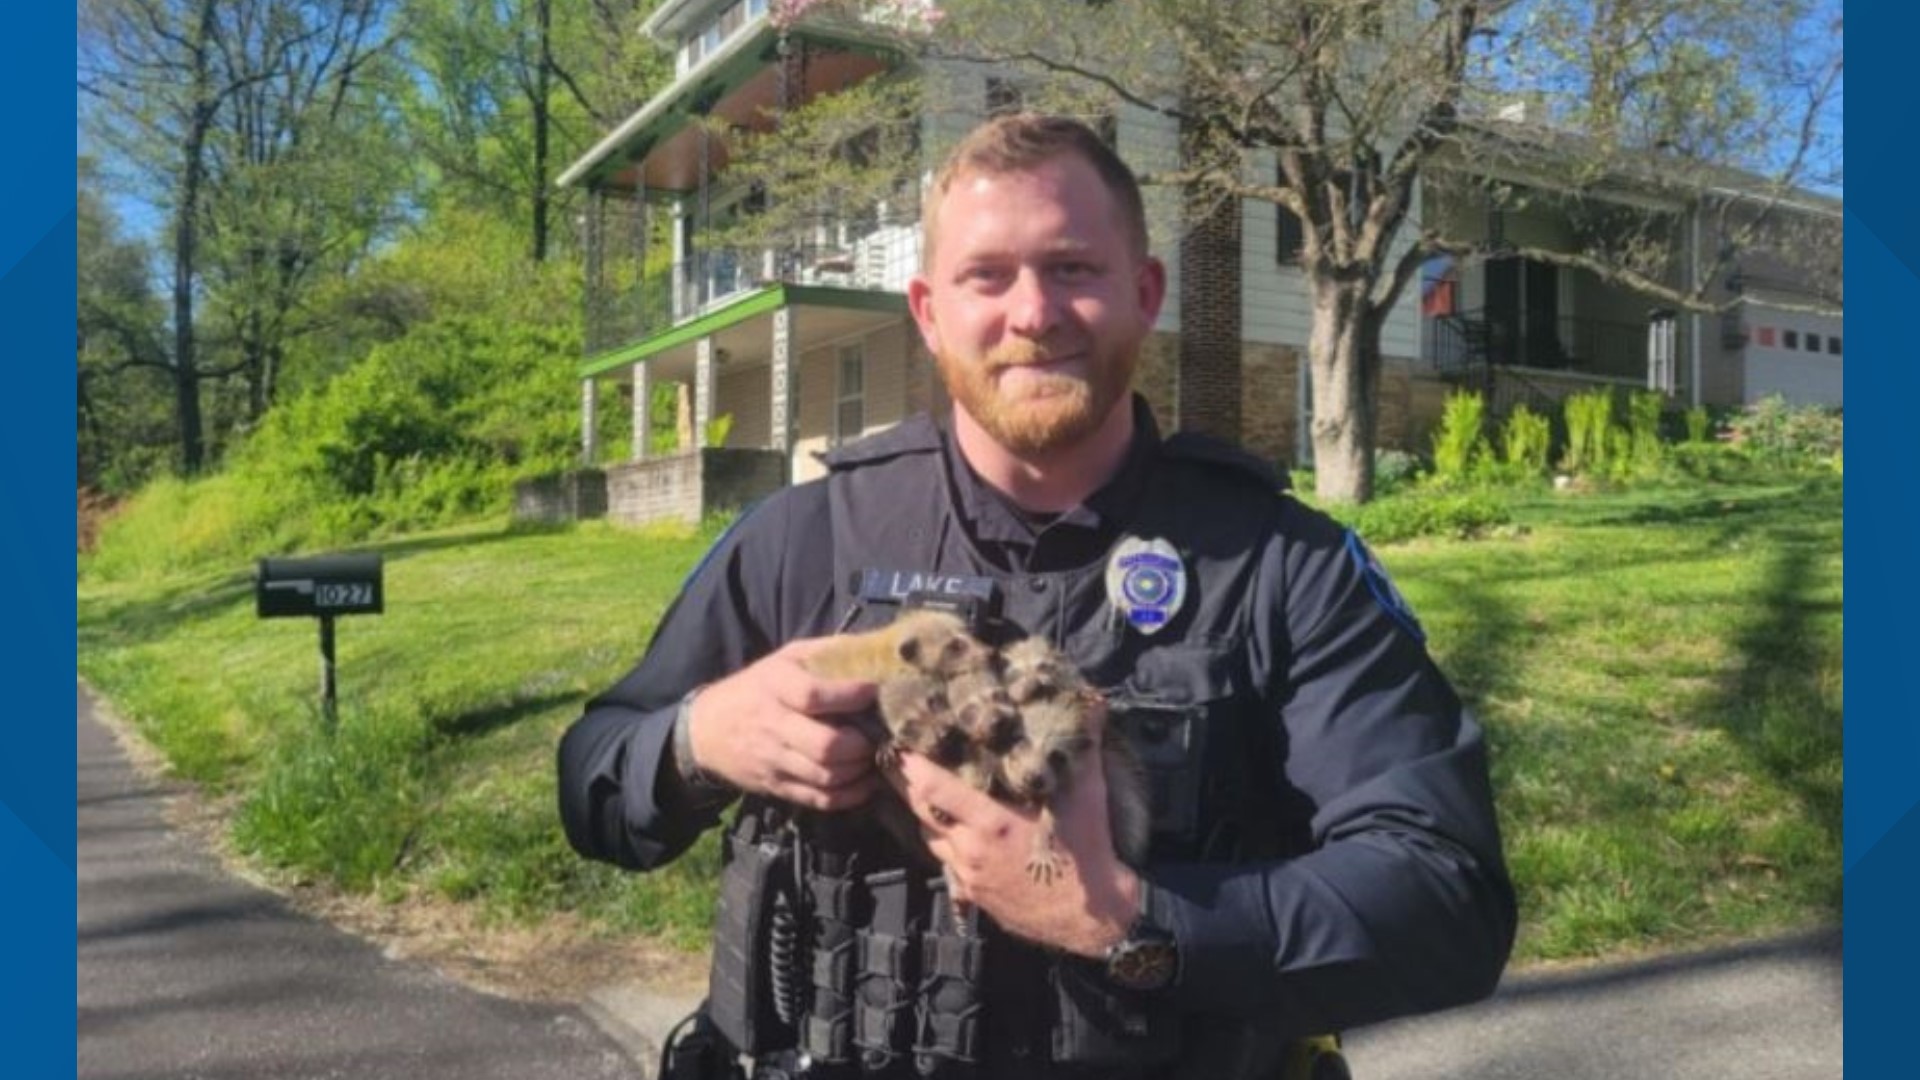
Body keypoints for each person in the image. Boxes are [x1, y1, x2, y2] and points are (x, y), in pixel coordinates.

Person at [557, 113, 1516, 1080]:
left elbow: (1448, 899)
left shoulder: (1283, 566)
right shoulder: (803, 540)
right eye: (987, 276)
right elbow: (593, 781)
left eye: (1073, 269)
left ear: (1145, 294)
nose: (1034, 313)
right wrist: (699, 737)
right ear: (928, 312)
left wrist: (1130, 920)